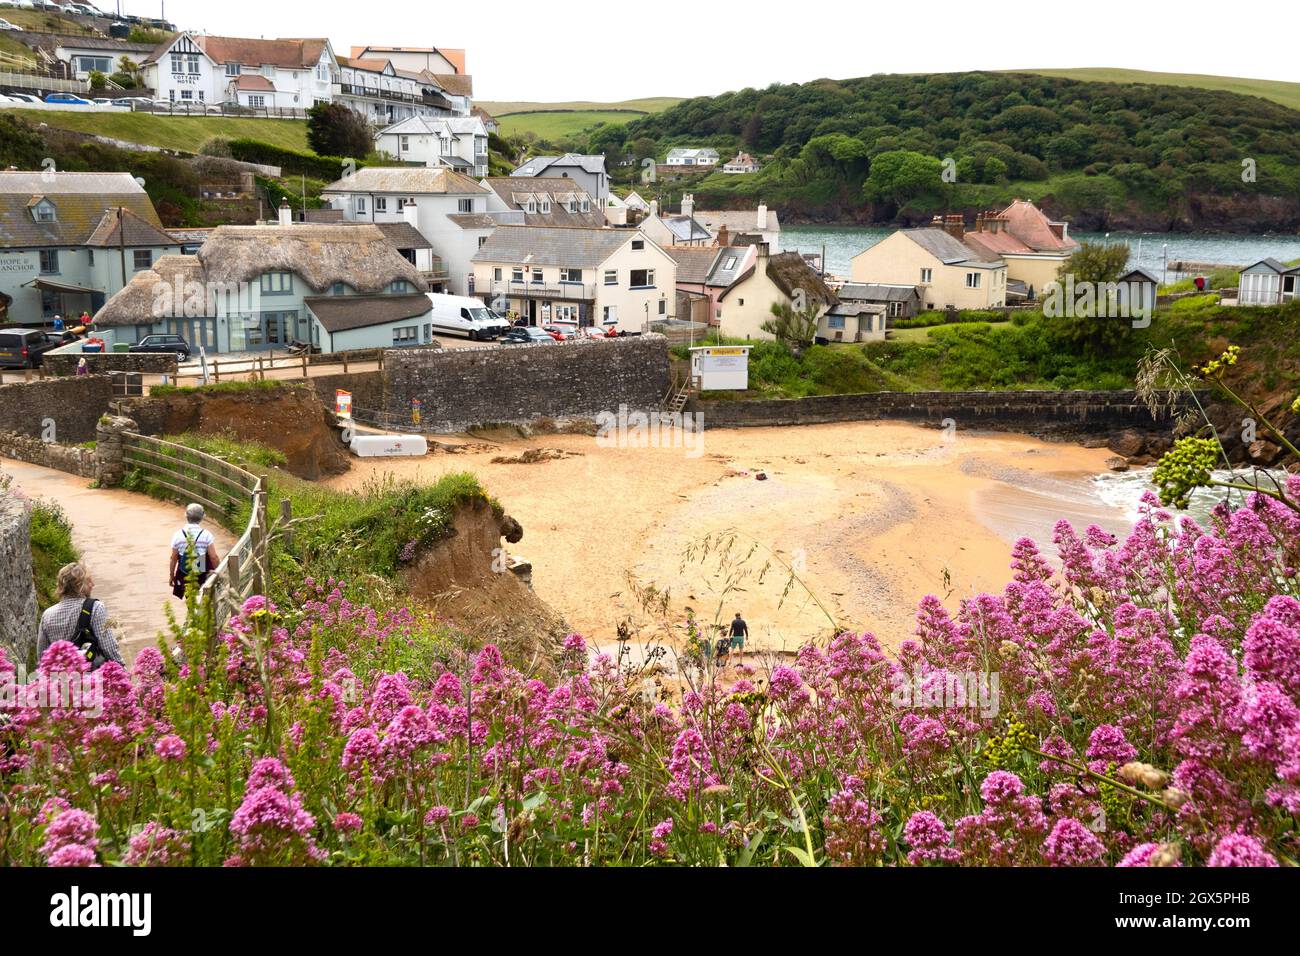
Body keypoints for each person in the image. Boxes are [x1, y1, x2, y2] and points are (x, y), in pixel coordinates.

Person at [37, 562, 123, 669]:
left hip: (62, 680)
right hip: (92, 678)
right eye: (89, 581)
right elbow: (108, 647)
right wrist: (121, 669)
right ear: (79, 585)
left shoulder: (47, 615)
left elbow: (42, 655)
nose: (93, 584)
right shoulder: (95, 607)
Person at [170, 503, 221, 598]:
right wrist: (218, 572)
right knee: (203, 596)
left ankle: (191, 609)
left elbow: (173, 558)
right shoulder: (206, 534)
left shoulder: (178, 534)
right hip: (201, 568)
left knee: (190, 598)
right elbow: (213, 557)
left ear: (186, 516)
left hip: (184, 571)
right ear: (202, 517)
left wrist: (172, 575)